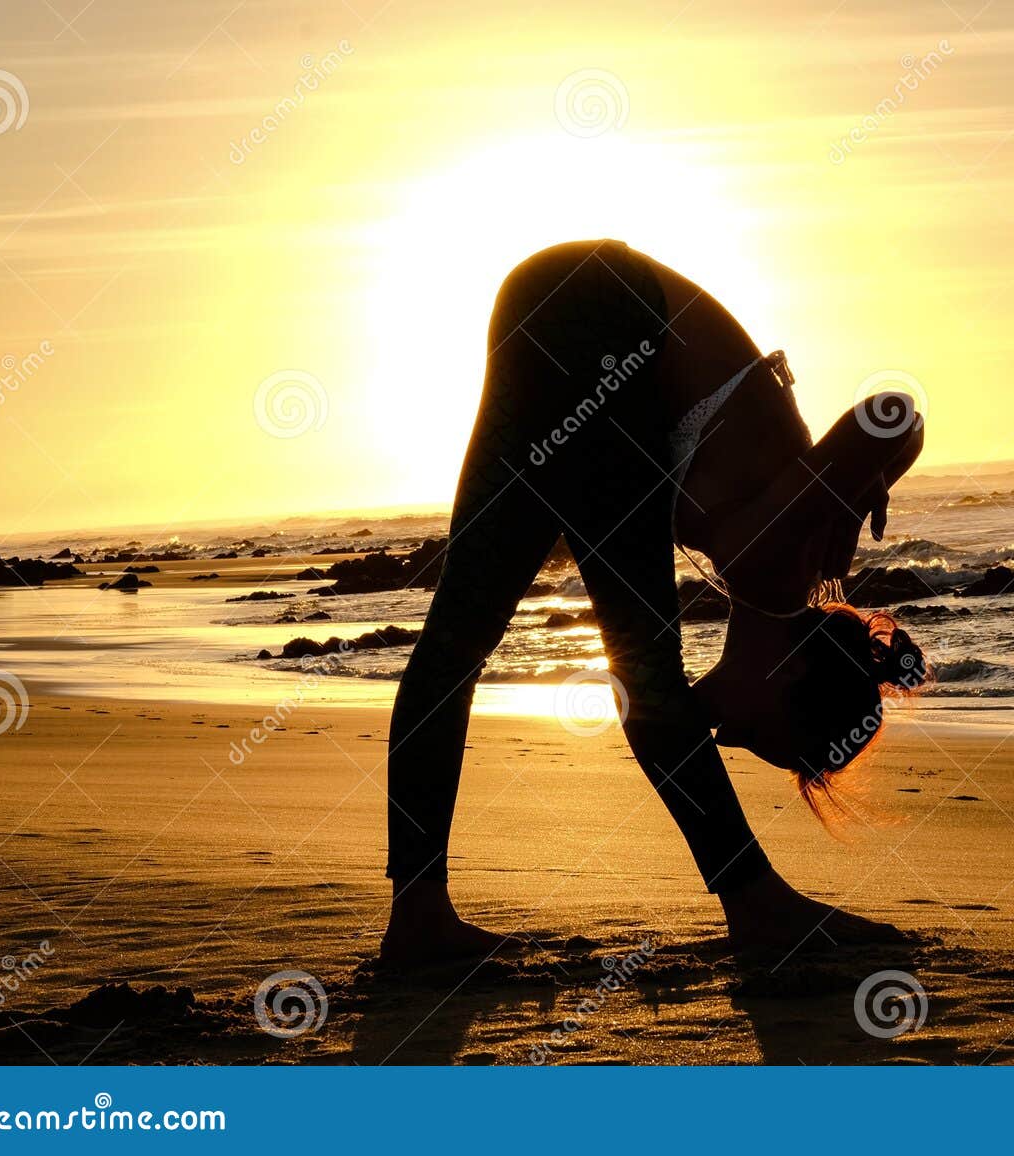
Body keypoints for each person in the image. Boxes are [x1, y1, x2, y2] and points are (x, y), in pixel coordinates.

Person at [381, 240, 926, 965]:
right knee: (643, 678)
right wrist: (852, 485)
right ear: (789, 678)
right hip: (608, 318)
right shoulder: (783, 565)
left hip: (555, 297)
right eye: (771, 745)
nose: (732, 744)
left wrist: (857, 479)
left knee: (456, 644)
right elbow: (893, 410)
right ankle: (757, 905)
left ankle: (417, 918)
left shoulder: (774, 570)